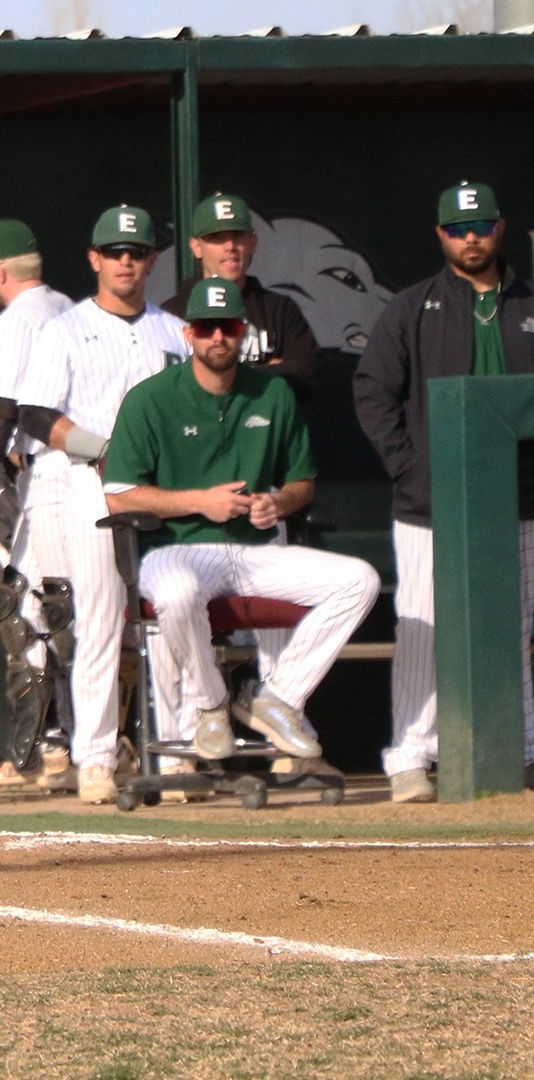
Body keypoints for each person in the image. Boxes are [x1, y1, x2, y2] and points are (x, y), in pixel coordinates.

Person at [103, 277, 379, 777]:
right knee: (180, 592)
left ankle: (277, 698)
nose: (217, 338)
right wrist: (198, 501)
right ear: (189, 334)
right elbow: (119, 493)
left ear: (242, 332)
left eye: (227, 327)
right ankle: (210, 704)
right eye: (206, 328)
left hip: (252, 550)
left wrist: (277, 502)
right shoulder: (150, 398)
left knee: (360, 580)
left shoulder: (273, 392)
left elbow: (302, 483)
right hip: (176, 548)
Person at [353, 180, 534, 803]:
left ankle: (526, 751)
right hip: (431, 504)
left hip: (522, 498)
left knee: (522, 627)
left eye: (480, 226)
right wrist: (411, 468)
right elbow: (373, 392)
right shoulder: (413, 306)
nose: (471, 238)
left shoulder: (529, 302)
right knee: (424, 628)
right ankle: (410, 756)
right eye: (458, 229)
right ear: (440, 236)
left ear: (500, 228)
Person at [13, 205, 188, 804]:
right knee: (100, 619)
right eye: (114, 252)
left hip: (161, 486)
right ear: (94, 259)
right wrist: (101, 446)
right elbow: (33, 413)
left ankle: (179, 750)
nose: (125, 262)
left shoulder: (172, 329)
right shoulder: (63, 328)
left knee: (169, 615)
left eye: (135, 252)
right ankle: (95, 756)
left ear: (152, 260)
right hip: (88, 480)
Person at [0, 217, 77, 792]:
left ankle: (38, 752)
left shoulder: (15, 320)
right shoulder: (71, 308)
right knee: (71, 607)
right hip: (82, 477)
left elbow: (2, 411)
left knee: (23, 609)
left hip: (29, 480)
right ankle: (78, 742)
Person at [160, 192, 320, 403]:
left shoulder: (280, 309)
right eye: (217, 238)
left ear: (252, 242)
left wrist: (225, 376)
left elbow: (306, 373)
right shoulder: (173, 313)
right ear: (196, 247)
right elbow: (168, 386)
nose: (230, 246)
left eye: (237, 235)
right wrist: (266, 370)